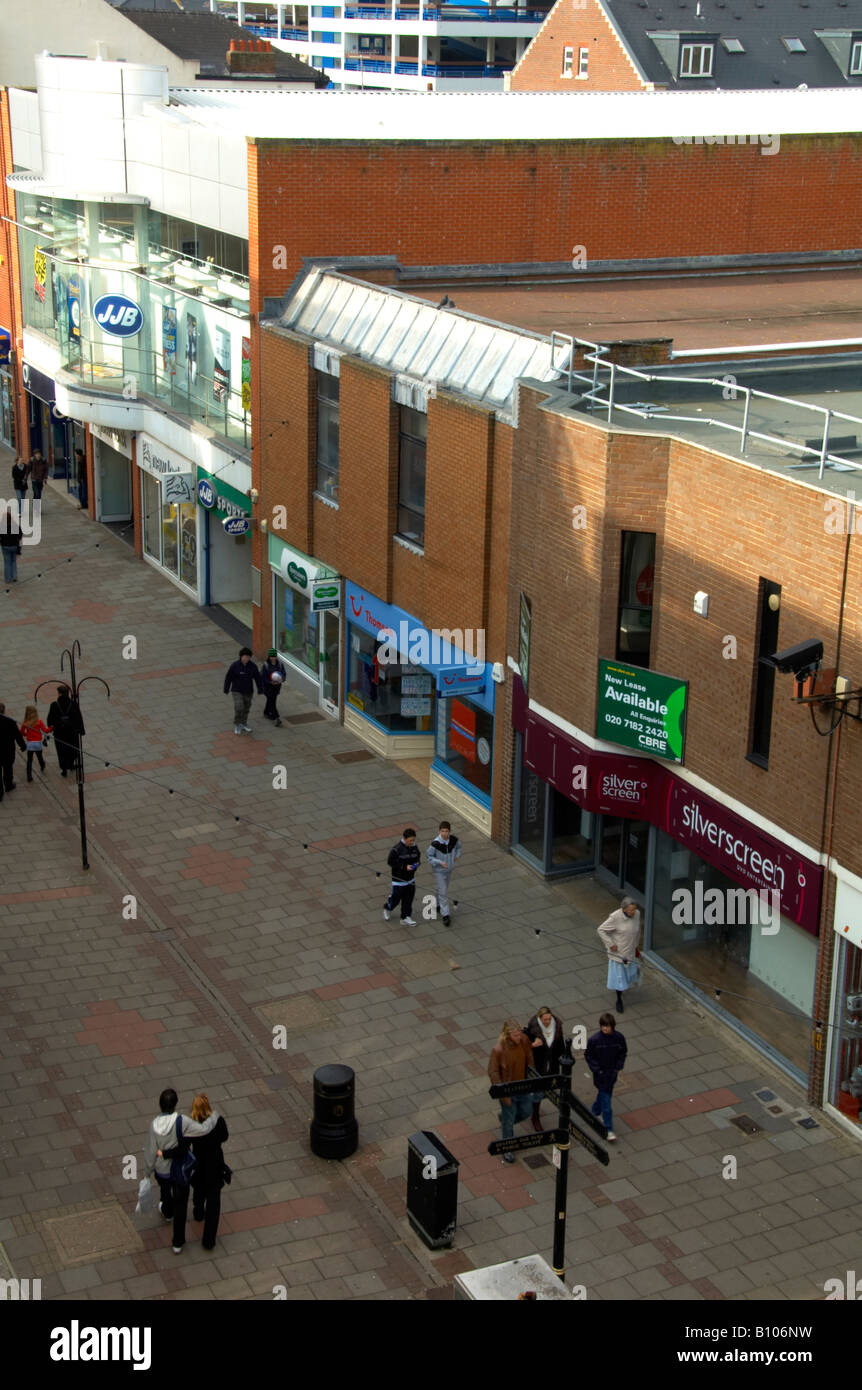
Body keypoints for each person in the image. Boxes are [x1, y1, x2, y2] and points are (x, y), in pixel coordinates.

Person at [143, 1088, 219, 1254]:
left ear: (160, 1105)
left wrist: (147, 1171)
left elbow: (150, 1150)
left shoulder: (154, 1125)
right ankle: (178, 1241)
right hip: (180, 1171)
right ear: (175, 1104)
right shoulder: (182, 1121)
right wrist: (214, 1117)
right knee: (181, 1204)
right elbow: (203, 1130)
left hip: (162, 1170)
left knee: (165, 1191)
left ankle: (166, 1210)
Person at [488, 1020, 535, 1164]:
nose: (518, 1037)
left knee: (527, 1111)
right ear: (508, 1035)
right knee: (509, 1123)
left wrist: (533, 1079)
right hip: (508, 1090)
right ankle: (507, 1148)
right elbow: (493, 1072)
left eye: (519, 1034)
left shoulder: (524, 1041)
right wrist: (502, 1092)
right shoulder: (499, 1050)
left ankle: (504, 1120)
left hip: (523, 1087)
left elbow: (530, 1059)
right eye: (515, 1035)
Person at [189, 1092, 229, 1252]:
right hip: (214, 1165)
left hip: (199, 1166)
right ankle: (209, 1240)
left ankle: (198, 1212)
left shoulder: (192, 1125)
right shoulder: (217, 1122)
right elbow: (225, 1136)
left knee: (198, 1192)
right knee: (214, 1204)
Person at [585, 1012, 627, 1143]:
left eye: (607, 1026)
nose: (605, 1028)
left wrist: (617, 1067)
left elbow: (623, 1052)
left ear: (612, 1026)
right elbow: (589, 1056)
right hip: (601, 1075)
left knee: (604, 1095)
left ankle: (595, 1110)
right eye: (603, 1026)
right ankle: (608, 1129)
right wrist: (597, 1070)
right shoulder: (595, 1040)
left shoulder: (618, 1038)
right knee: (607, 1103)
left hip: (611, 1074)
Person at [523, 1006, 566, 1132]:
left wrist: (562, 1058)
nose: (547, 1022)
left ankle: (529, 1105)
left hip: (551, 1065)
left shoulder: (557, 1027)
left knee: (545, 1091)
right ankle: (535, 1117)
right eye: (544, 1020)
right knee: (538, 1093)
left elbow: (560, 1045)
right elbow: (523, 1048)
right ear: (539, 1019)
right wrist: (533, 1045)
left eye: (549, 1019)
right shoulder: (532, 1030)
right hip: (538, 1066)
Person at [597, 895, 642, 1013]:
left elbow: (637, 931)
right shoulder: (615, 917)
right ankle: (619, 999)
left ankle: (624, 987)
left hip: (631, 950)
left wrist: (636, 946)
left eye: (635, 909)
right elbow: (601, 930)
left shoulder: (637, 914)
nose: (634, 912)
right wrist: (610, 944)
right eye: (631, 910)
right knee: (619, 978)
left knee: (629, 974)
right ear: (624, 909)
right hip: (619, 953)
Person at [426, 820, 462, 927]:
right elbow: (429, 857)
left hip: (449, 870)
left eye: (446, 831)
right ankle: (445, 914)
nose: (444, 833)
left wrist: (457, 855)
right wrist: (440, 862)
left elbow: (459, 846)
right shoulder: (435, 844)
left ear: (449, 831)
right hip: (439, 871)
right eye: (442, 831)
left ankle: (436, 904)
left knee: (441, 888)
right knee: (444, 892)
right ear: (439, 831)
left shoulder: (454, 841)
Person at [383, 828, 421, 926]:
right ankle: (388, 907)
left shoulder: (415, 848)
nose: (412, 842)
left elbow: (418, 859)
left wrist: (416, 865)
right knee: (395, 900)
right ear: (404, 839)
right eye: (410, 840)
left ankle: (405, 917)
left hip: (410, 879)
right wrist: (404, 867)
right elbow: (390, 862)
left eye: (413, 840)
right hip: (398, 880)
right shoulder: (396, 849)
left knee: (408, 900)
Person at [47, 684, 84, 778]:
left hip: (59, 733)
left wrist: (51, 727)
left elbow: (50, 719)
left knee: (61, 751)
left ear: (59, 694)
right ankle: (71, 764)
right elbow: (78, 718)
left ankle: (64, 769)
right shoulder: (73, 704)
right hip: (72, 733)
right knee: (72, 749)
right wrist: (81, 730)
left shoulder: (54, 705)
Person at [223, 645, 261, 735]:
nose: (246, 659)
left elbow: (258, 678)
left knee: (246, 707)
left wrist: (260, 689)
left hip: (248, 691)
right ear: (241, 656)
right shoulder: (235, 666)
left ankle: (243, 723)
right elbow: (228, 678)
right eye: (245, 657)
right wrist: (226, 689)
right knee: (239, 706)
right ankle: (237, 724)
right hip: (237, 690)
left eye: (248, 657)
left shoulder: (253, 666)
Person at [0, 702, 26, 801]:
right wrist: (23, 746)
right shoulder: (10, 722)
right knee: (8, 768)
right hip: (7, 750)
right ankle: (8, 785)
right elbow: (17, 735)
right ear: (4, 711)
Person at [20, 704, 51, 782]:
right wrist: (51, 727)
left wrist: (27, 734)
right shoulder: (39, 721)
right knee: (39, 756)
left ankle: (29, 775)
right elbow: (46, 731)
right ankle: (42, 765)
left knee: (29, 760)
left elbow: (21, 732)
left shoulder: (25, 722)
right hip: (37, 743)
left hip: (30, 743)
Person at [260, 648, 287, 726]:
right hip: (267, 687)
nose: (273, 658)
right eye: (271, 656)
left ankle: (266, 712)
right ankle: (276, 718)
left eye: (274, 656)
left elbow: (284, 674)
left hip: (277, 687)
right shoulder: (266, 665)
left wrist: (281, 680)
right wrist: (270, 682)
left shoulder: (280, 664)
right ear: (269, 657)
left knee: (271, 700)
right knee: (272, 701)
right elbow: (262, 676)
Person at [0, 504, 21, 584]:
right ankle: (14, 576)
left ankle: (8, 579)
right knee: (13, 561)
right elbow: (20, 534)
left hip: (5, 546)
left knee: (7, 562)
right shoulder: (15, 525)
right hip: (14, 545)